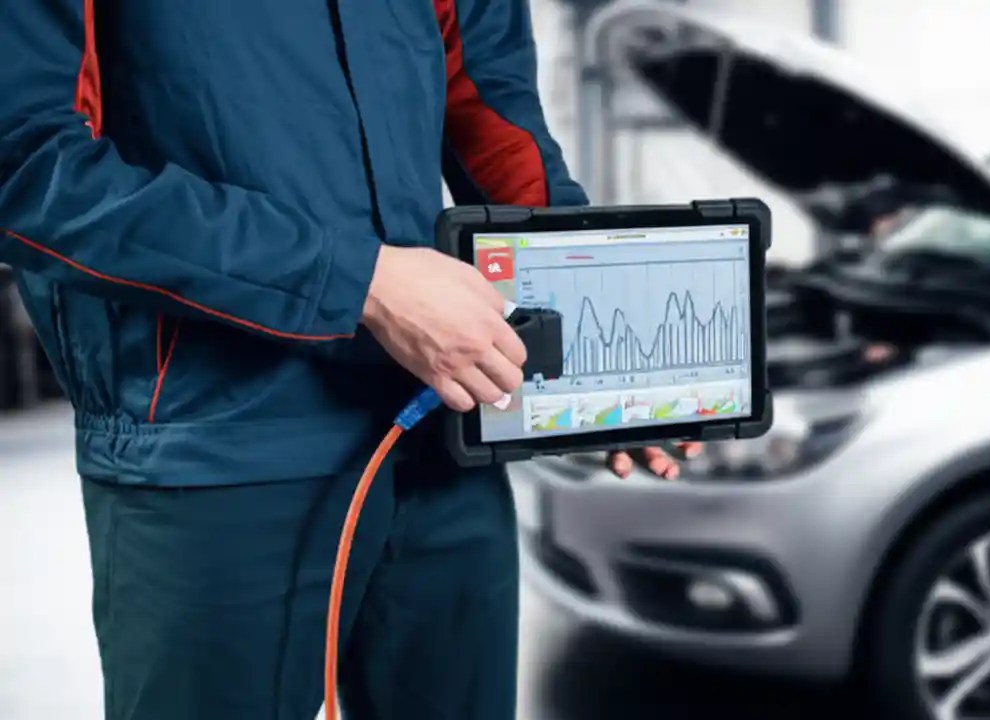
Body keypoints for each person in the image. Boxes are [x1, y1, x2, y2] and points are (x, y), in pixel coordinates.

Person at [0, 2, 698, 718]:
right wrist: (360, 283)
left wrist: (593, 344)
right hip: (218, 444)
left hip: (436, 432)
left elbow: (496, 120)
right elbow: (26, 167)